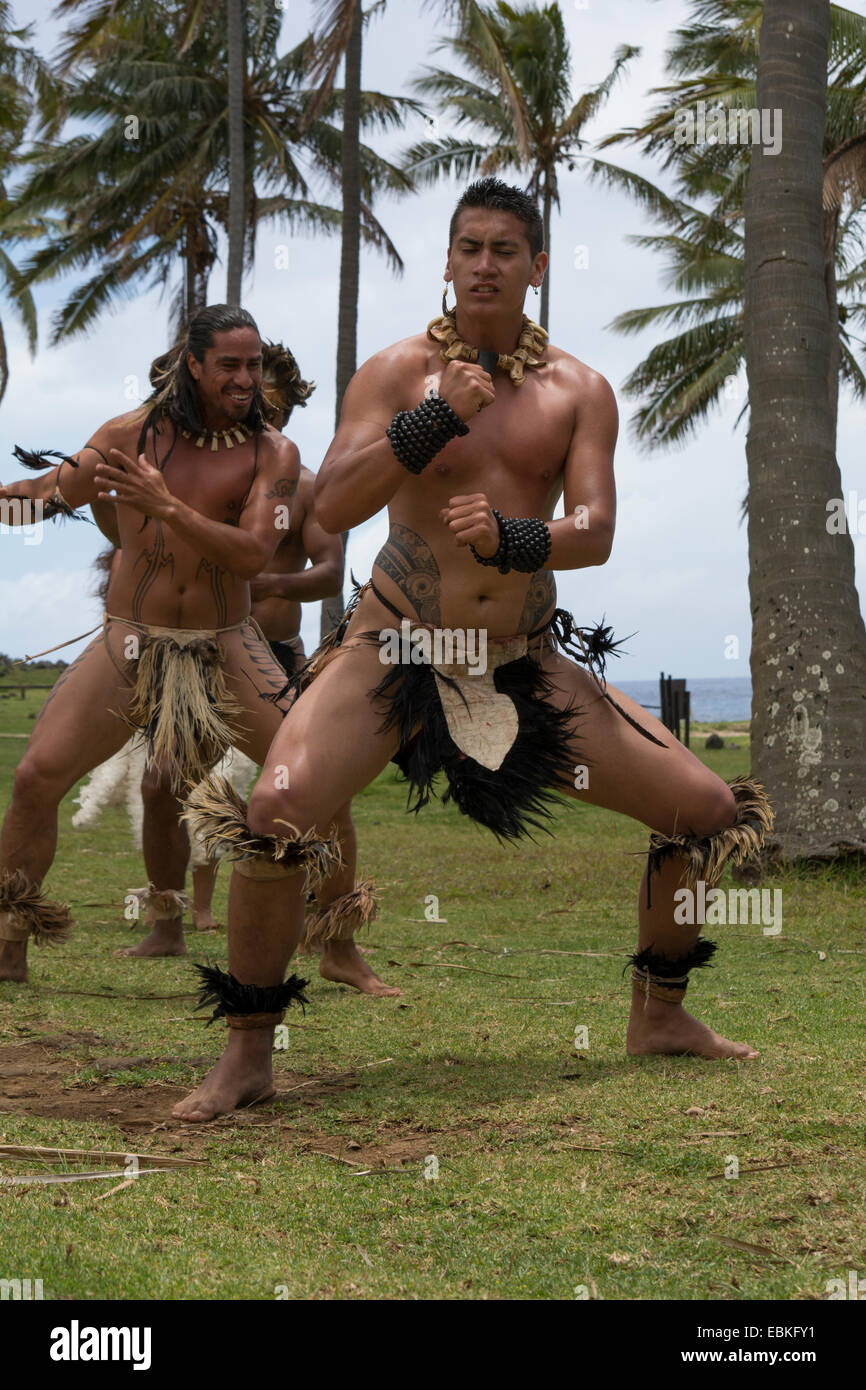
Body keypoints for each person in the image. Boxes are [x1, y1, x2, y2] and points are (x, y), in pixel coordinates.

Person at [174, 177, 773, 1123]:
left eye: (504, 249)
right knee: (279, 809)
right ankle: (247, 1055)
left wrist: (516, 537)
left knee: (702, 808)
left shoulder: (579, 391)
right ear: (448, 263)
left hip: (521, 662)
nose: (484, 264)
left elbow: (597, 528)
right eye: (467, 248)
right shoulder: (394, 373)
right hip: (394, 648)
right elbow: (330, 506)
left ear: (538, 266)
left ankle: (660, 1017)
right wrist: (436, 418)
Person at [0, 304, 339, 989]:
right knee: (37, 777)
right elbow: (46, 494)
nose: (246, 380)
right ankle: (8, 942)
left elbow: (249, 554)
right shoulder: (130, 436)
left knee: (312, 780)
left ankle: (338, 942)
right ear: (193, 365)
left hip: (225, 644)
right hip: (132, 641)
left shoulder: (274, 455)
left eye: (253, 367)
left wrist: (167, 508)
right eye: (230, 366)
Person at [124, 342, 398, 994]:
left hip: (274, 656)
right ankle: (168, 925)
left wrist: (252, 569)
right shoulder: (201, 478)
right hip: (203, 651)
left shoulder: (300, 485)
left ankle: (338, 943)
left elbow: (329, 571)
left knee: (320, 782)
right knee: (162, 785)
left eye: (271, 399)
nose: (255, 406)